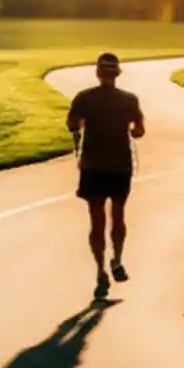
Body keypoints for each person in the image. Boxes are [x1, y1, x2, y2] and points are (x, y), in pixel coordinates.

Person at [66, 53, 145, 299]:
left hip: (93, 165)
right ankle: (117, 261)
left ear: (98, 74)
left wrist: (82, 126)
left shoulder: (84, 98)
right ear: (117, 74)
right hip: (120, 165)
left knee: (96, 219)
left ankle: (100, 271)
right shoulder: (129, 100)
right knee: (118, 215)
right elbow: (139, 130)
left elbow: (71, 125)